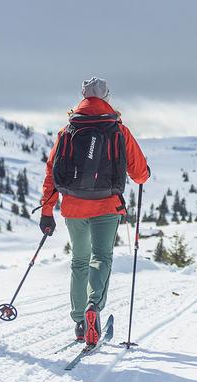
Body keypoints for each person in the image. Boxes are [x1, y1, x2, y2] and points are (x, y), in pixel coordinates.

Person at [40, 77, 149, 346]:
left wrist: (47, 209)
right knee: (101, 257)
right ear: (107, 98)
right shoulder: (118, 129)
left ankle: (79, 321)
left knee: (79, 261)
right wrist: (145, 175)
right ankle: (93, 307)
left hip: (74, 205)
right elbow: (139, 173)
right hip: (106, 204)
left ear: (83, 97)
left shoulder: (68, 130)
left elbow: (52, 171)